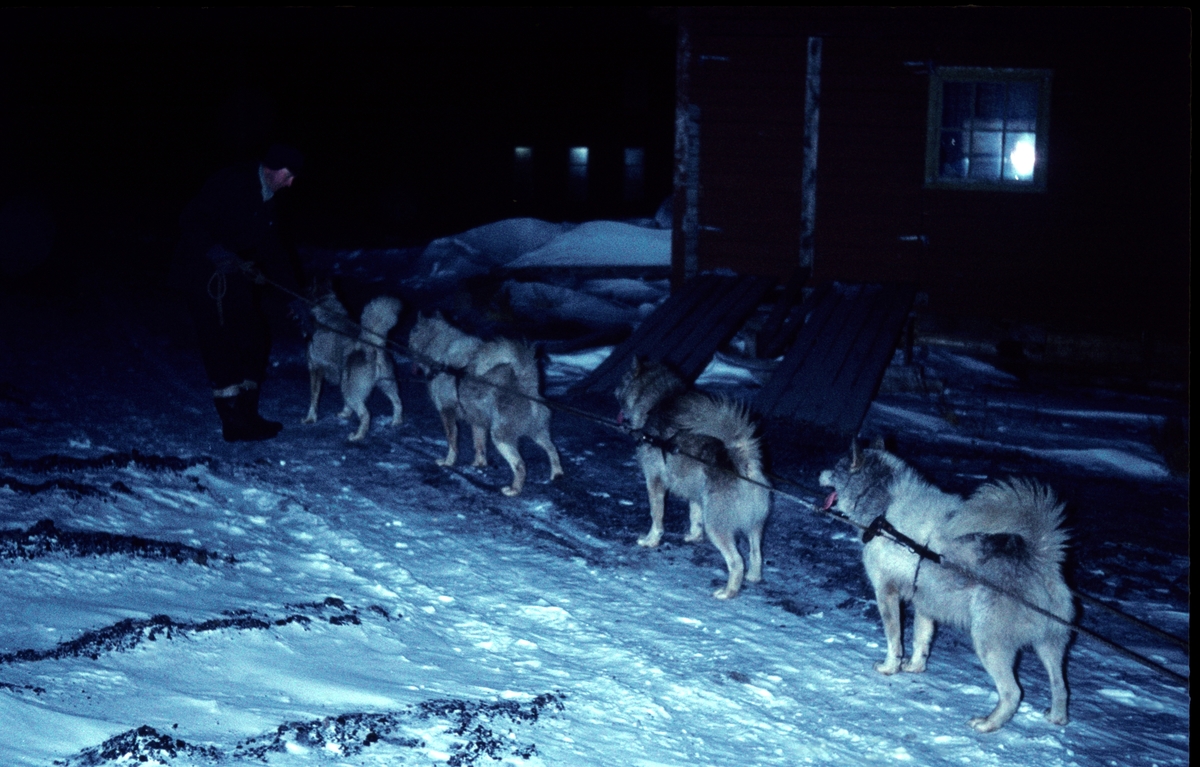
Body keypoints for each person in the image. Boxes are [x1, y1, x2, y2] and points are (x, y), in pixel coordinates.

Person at [173, 144, 306, 441]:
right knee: (220, 342)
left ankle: (248, 414)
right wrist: (214, 249)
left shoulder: (269, 197)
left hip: (235, 271)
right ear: (272, 168)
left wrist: (294, 296)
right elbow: (190, 219)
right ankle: (233, 420)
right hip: (203, 271)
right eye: (289, 175)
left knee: (254, 336)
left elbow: (274, 250)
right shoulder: (230, 182)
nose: (291, 183)